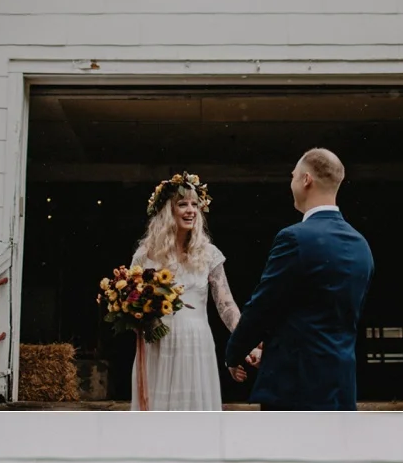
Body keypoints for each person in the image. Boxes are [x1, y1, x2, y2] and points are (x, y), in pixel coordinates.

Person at [223, 150, 373, 412]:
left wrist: (234, 353)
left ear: (306, 180)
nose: (290, 183)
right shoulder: (361, 245)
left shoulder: (295, 239)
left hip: (295, 386)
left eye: (292, 176)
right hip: (341, 385)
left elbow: (264, 306)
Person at [128, 173, 251, 411]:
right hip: (158, 344)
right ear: (167, 210)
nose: (191, 210)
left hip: (196, 344)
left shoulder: (209, 253)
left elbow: (226, 305)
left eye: (195, 205)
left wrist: (247, 340)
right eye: (182, 204)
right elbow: (132, 302)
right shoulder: (145, 255)